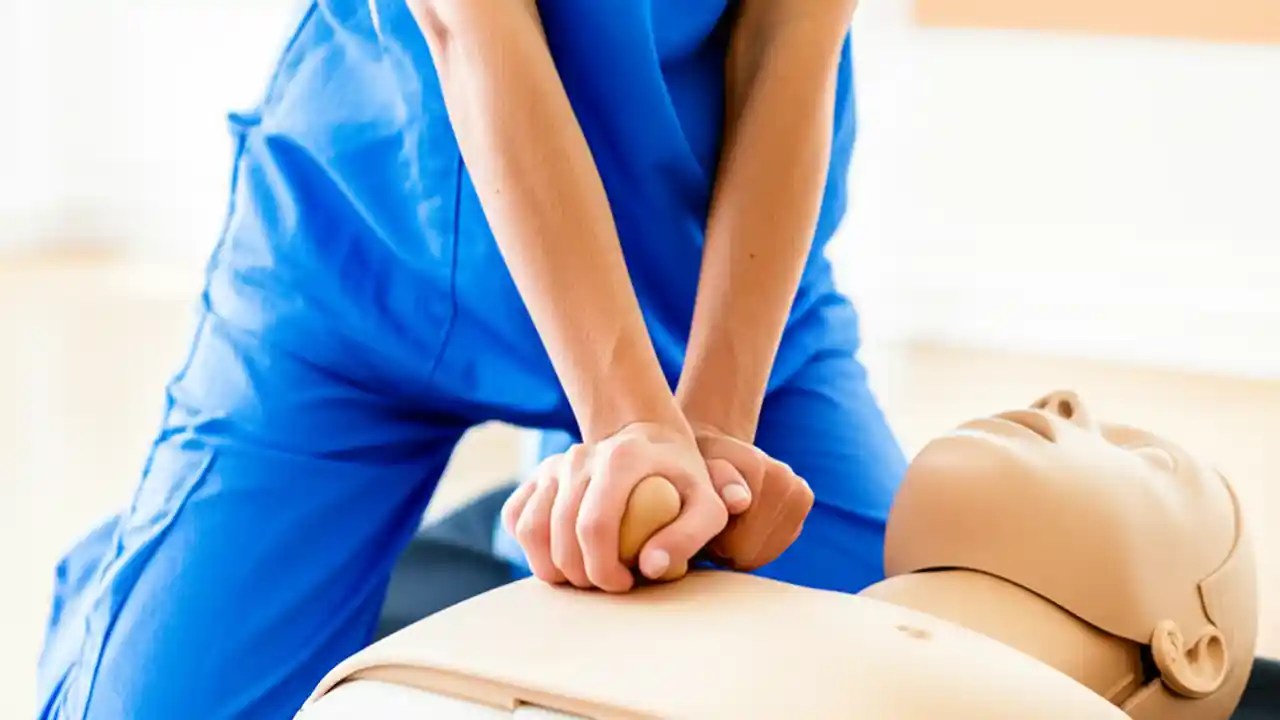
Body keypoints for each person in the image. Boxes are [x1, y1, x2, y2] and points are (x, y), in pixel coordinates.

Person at [36, 0, 905, 717]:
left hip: (703, 277)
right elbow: (468, 26)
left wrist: (715, 438)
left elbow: (791, 43)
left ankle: (524, 525)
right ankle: (167, 544)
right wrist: (633, 424)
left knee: (896, 664)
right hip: (365, 258)